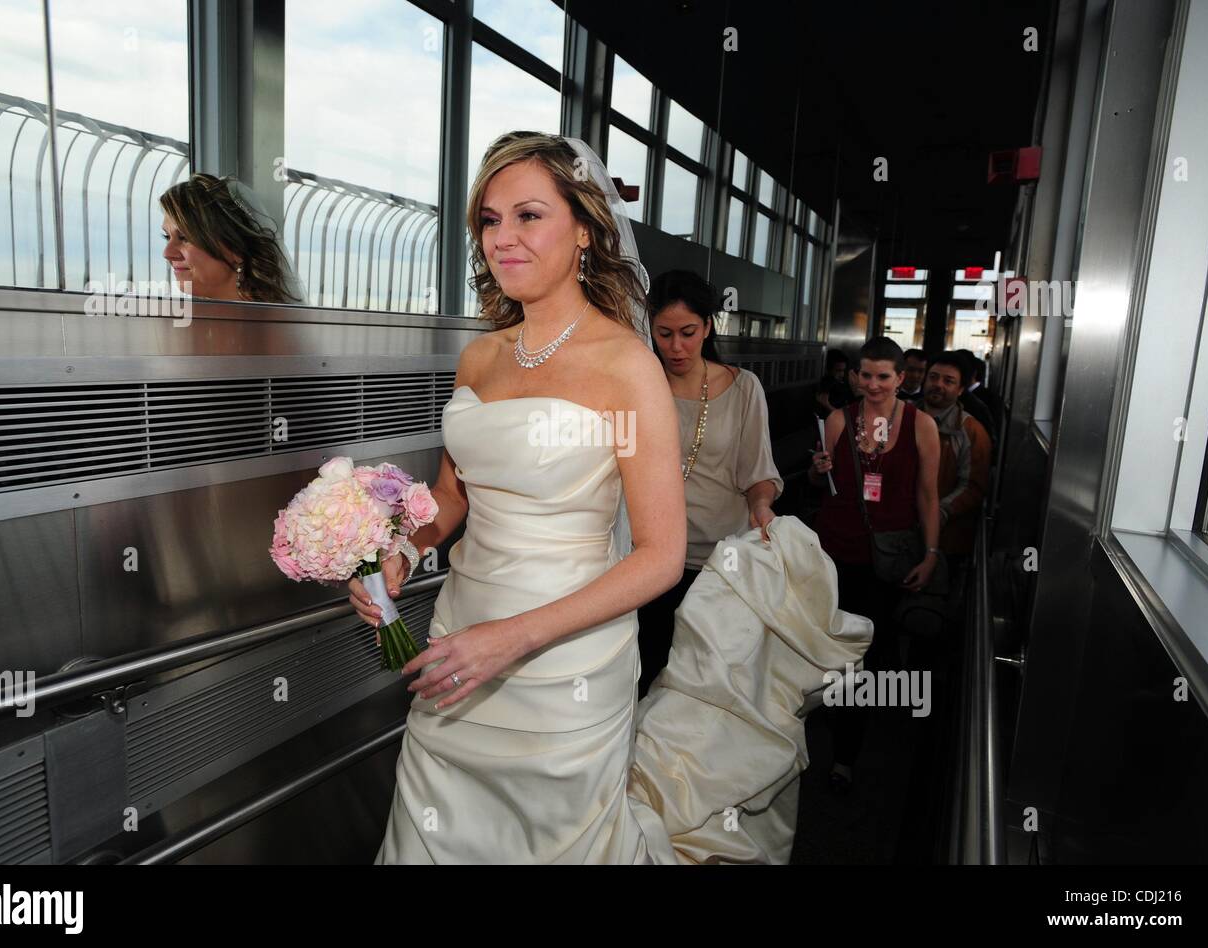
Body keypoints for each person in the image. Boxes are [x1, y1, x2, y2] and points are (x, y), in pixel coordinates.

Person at [348, 131, 867, 864]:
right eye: (490, 221)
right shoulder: (480, 355)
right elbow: (449, 498)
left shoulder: (627, 366)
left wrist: (519, 636)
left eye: (529, 215)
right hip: (460, 643)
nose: (503, 238)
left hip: (565, 666)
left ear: (585, 230)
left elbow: (658, 557)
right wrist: (400, 549)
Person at [637, 269, 783, 697]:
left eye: (687, 332)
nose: (675, 347)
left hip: (721, 560)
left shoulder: (743, 388)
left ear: (708, 327)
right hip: (651, 557)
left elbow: (758, 471)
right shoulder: (640, 385)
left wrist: (761, 506)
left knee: (709, 678)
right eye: (664, 333)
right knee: (650, 669)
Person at [808, 335, 941, 794]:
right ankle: (820, 723)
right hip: (835, 552)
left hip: (884, 560)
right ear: (854, 375)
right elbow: (820, 484)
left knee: (865, 655)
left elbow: (928, 494)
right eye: (865, 374)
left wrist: (931, 554)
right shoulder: (838, 420)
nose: (873, 383)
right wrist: (816, 470)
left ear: (902, 379)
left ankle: (846, 754)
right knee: (826, 646)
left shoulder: (921, 426)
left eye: (883, 376)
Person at [160, 173, 303, 303]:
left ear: (236, 249)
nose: (167, 253)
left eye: (185, 237)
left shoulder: (264, 328)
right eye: (167, 236)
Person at [920, 352, 991, 572]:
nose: (938, 384)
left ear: (960, 390)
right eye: (933, 377)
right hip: (897, 531)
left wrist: (936, 514)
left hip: (946, 539)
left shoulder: (971, 431)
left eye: (948, 381)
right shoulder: (904, 415)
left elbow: (972, 487)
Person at [816, 349, 853, 413]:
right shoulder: (827, 383)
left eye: (843, 370)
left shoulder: (842, 382)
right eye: (838, 371)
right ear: (828, 370)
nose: (842, 374)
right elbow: (823, 402)